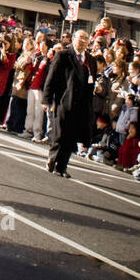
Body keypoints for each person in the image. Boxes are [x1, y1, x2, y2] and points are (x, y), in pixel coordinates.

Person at [42, 28, 97, 177]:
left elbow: (92, 83)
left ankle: (62, 166)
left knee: (71, 136)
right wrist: (46, 99)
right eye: (80, 38)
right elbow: (51, 78)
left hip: (81, 104)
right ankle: (52, 159)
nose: (83, 41)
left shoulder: (91, 60)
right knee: (60, 133)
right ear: (73, 39)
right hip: (63, 101)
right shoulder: (63, 55)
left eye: (86, 38)